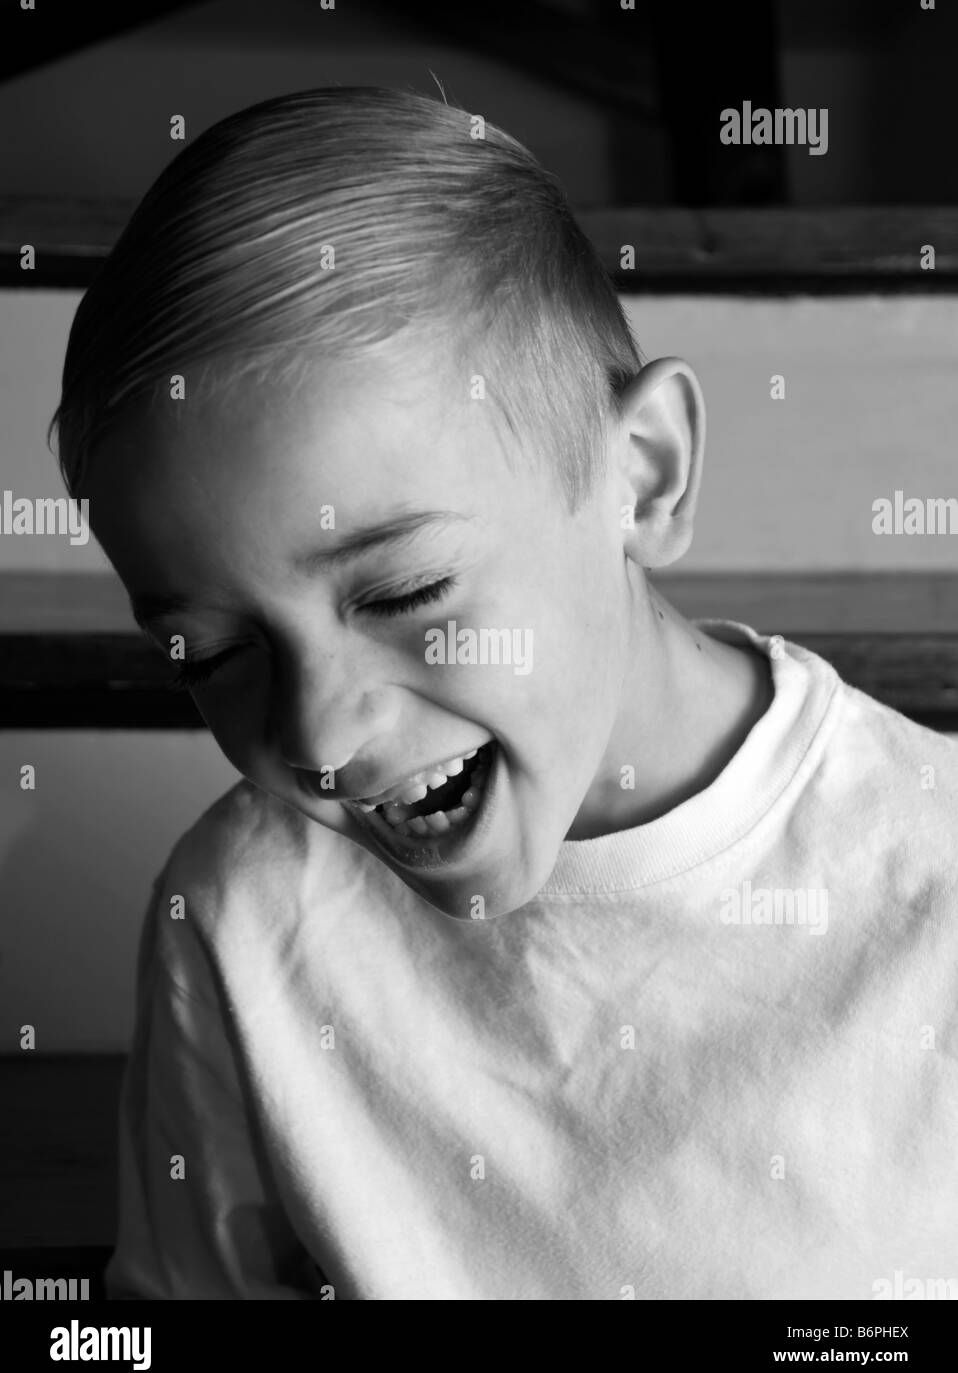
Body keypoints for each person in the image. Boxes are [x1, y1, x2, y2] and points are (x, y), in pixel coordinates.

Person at [50, 88, 958, 1300]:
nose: (317, 731)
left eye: (403, 591)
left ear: (641, 477)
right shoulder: (238, 913)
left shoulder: (928, 885)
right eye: (212, 653)